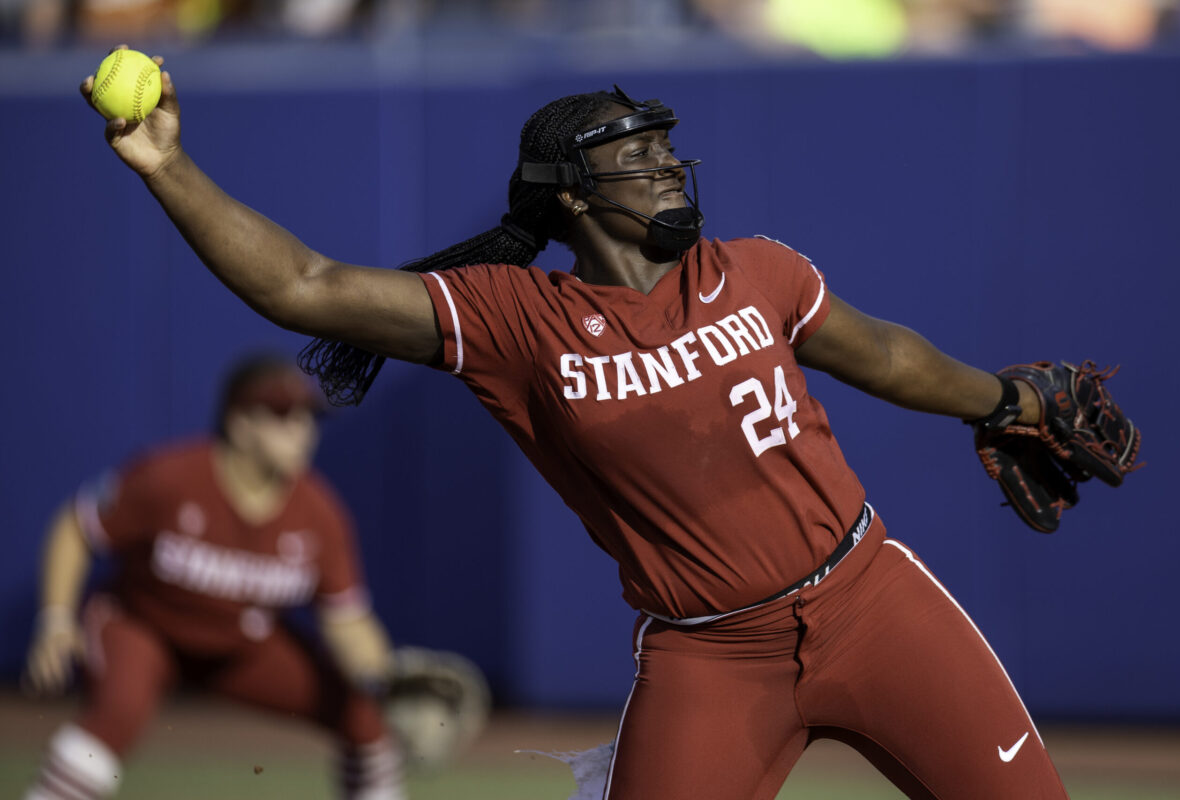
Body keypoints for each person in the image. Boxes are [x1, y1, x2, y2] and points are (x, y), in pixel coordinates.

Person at [80, 51, 1074, 799]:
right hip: (711, 653)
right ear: (570, 192)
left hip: (872, 601)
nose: (669, 166)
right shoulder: (519, 318)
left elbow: (889, 356)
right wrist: (165, 166)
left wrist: (1008, 399)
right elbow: (306, 285)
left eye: (668, 146)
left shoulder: (757, 269)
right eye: (637, 155)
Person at [22, 353, 407, 800]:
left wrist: (386, 682)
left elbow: (347, 620)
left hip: (240, 648)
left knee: (364, 716)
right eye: (283, 416)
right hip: (144, 627)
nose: (302, 431)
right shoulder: (169, 478)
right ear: (240, 423)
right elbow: (76, 527)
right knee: (118, 713)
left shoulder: (320, 513)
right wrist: (55, 617)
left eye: (308, 418)